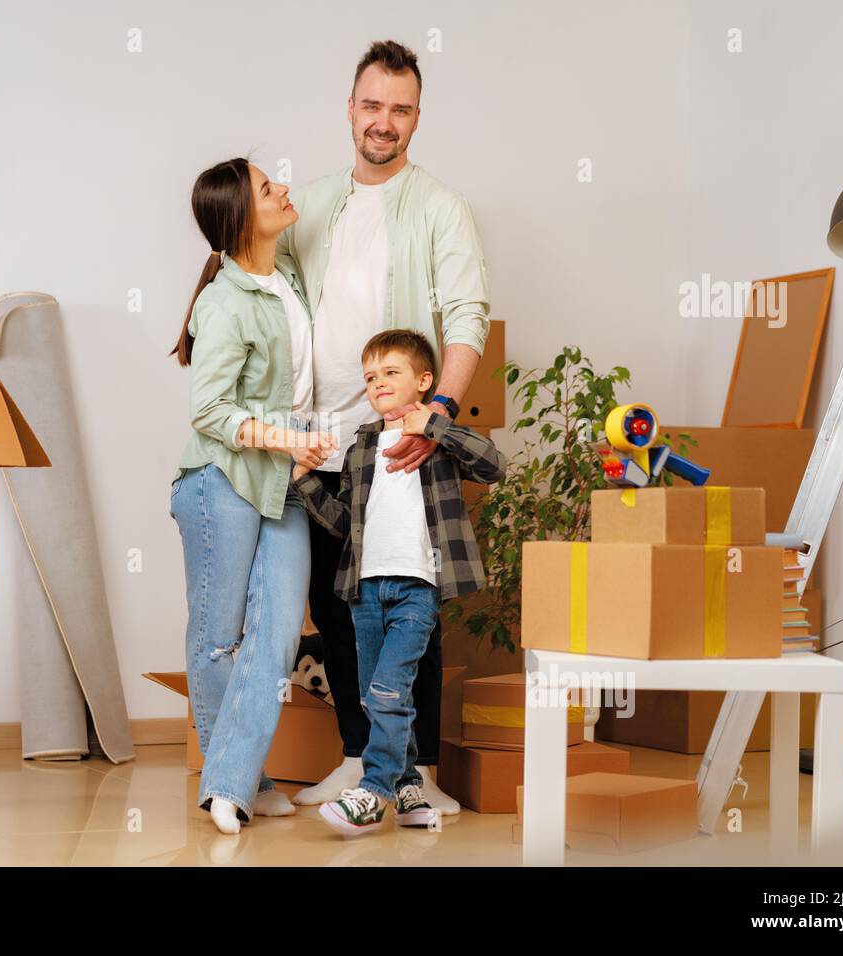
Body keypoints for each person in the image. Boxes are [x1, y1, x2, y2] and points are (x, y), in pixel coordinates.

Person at [277, 40, 493, 810]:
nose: (384, 122)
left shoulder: (439, 207)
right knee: (338, 605)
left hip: (397, 443)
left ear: (416, 118)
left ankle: (421, 773)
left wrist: (437, 414)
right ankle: (360, 754)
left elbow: (470, 315)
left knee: (410, 603)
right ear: (351, 108)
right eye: (372, 106)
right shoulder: (314, 203)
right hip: (322, 436)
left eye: (400, 110)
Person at [168, 158, 337, 835]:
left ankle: (232, 780)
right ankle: (237, 784)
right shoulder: (223, 301)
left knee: (274, 637)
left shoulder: (288, 277)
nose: (285, 190)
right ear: (241, 217)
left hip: (284, 480)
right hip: (222, 480)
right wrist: (286, 440)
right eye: (270, 189)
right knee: (217, 641)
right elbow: (209, 410)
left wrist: (302, 443)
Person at [292, 329, 503, 836]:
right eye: (370, 377)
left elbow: (494, 466)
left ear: (424, 380)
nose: (378, 383)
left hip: (416, 587)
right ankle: (409, 787)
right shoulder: (363, 444)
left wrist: (438, 426)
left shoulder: (437, 437)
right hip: (365, 590)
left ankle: (374, 791)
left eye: (392, 372)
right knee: (375, 694)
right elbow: (343, 522)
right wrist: (301, 480)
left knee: (389, 688)